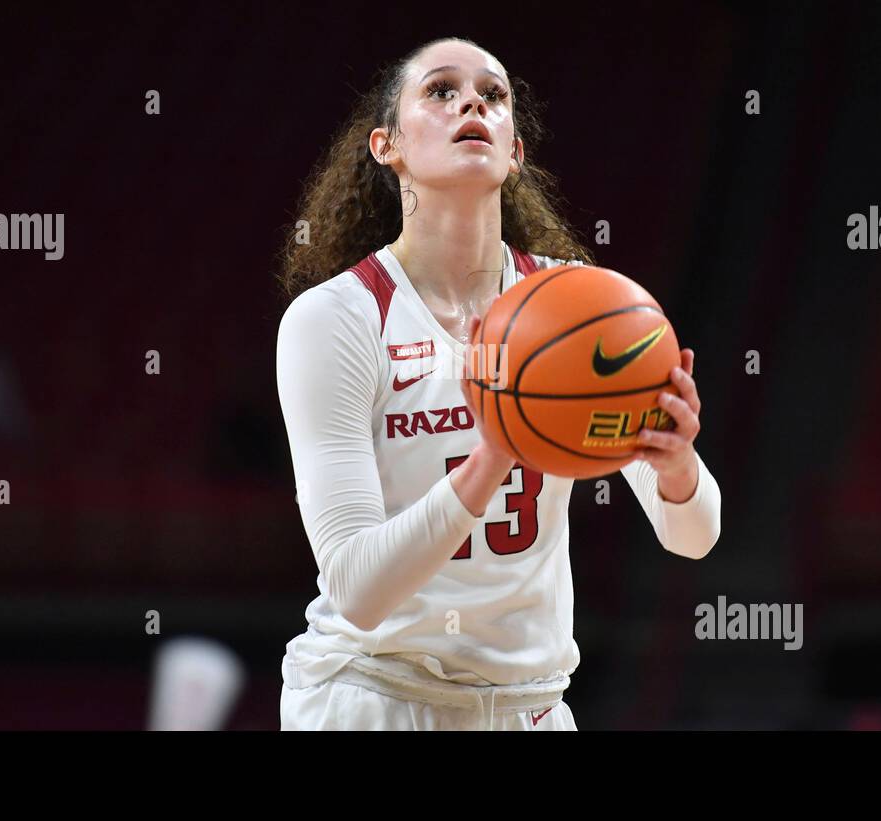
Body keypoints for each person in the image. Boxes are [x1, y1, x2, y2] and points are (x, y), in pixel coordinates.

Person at [275, 36, 721, 730]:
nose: (472, 103)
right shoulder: (337, 317)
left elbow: (693, 537)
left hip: (529, 707)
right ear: (385, 145)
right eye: (441, 91)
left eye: (494, 94)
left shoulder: (580, 304)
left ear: (514, 152)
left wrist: (675, 464)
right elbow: (357, 589)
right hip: (372, 695)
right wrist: (492, 456)